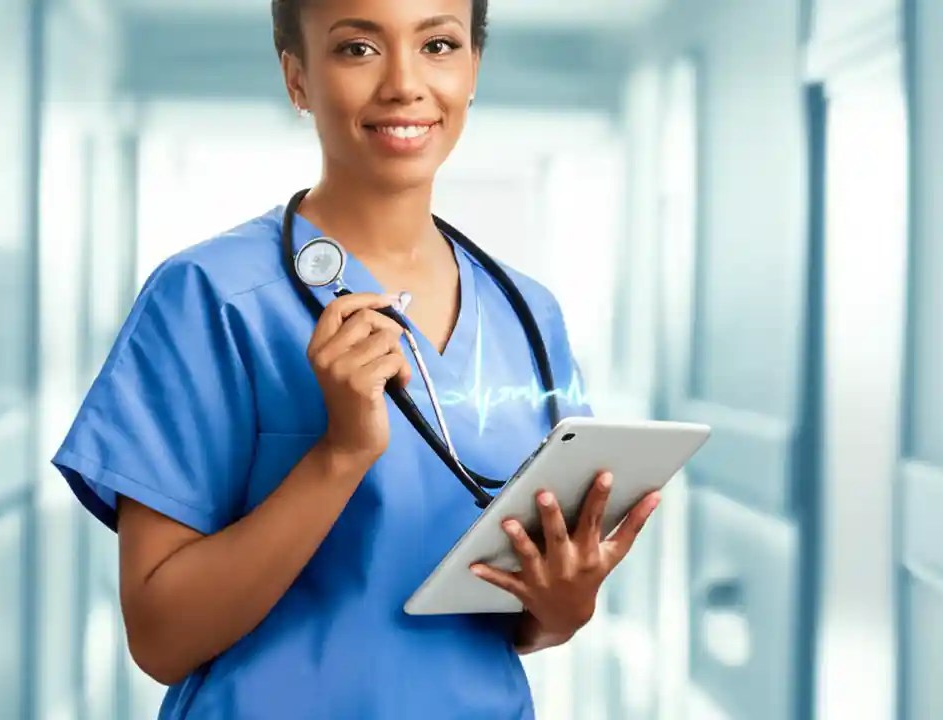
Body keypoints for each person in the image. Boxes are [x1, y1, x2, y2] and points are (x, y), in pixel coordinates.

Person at [52, 0, 662, 717]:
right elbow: (161, 639)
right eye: (358, 49)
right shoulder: (208, 298)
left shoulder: (529, 316)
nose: (405, 83)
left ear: (473, 70)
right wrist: (339, 455)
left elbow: (522, 621)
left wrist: (565, 606)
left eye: (438, 44)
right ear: (298, 78)